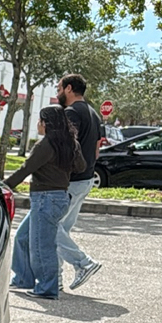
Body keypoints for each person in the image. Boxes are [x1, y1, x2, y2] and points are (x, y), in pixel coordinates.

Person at [6, 106, 85, 300]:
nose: (38, 124)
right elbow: (81, 166)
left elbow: (26, 169)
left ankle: (47, 289)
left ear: (47, 123)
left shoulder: (46, 145)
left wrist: (3, 187)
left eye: (40, 121)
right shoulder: (70, 144)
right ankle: (23, 278)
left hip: (45, 199)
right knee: (23, 238)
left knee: (42, 246)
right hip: (59, 198)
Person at [54, 73, 104, 289]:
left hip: (71, 181)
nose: (57, 92)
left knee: (48, 228)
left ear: (68, 88)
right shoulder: (93, 113)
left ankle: (83, 262)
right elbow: (97, 149)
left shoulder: (72, 112)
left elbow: (67, 144)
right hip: (86, 179)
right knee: (60, 231)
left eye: (59, 88)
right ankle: (54, 280)